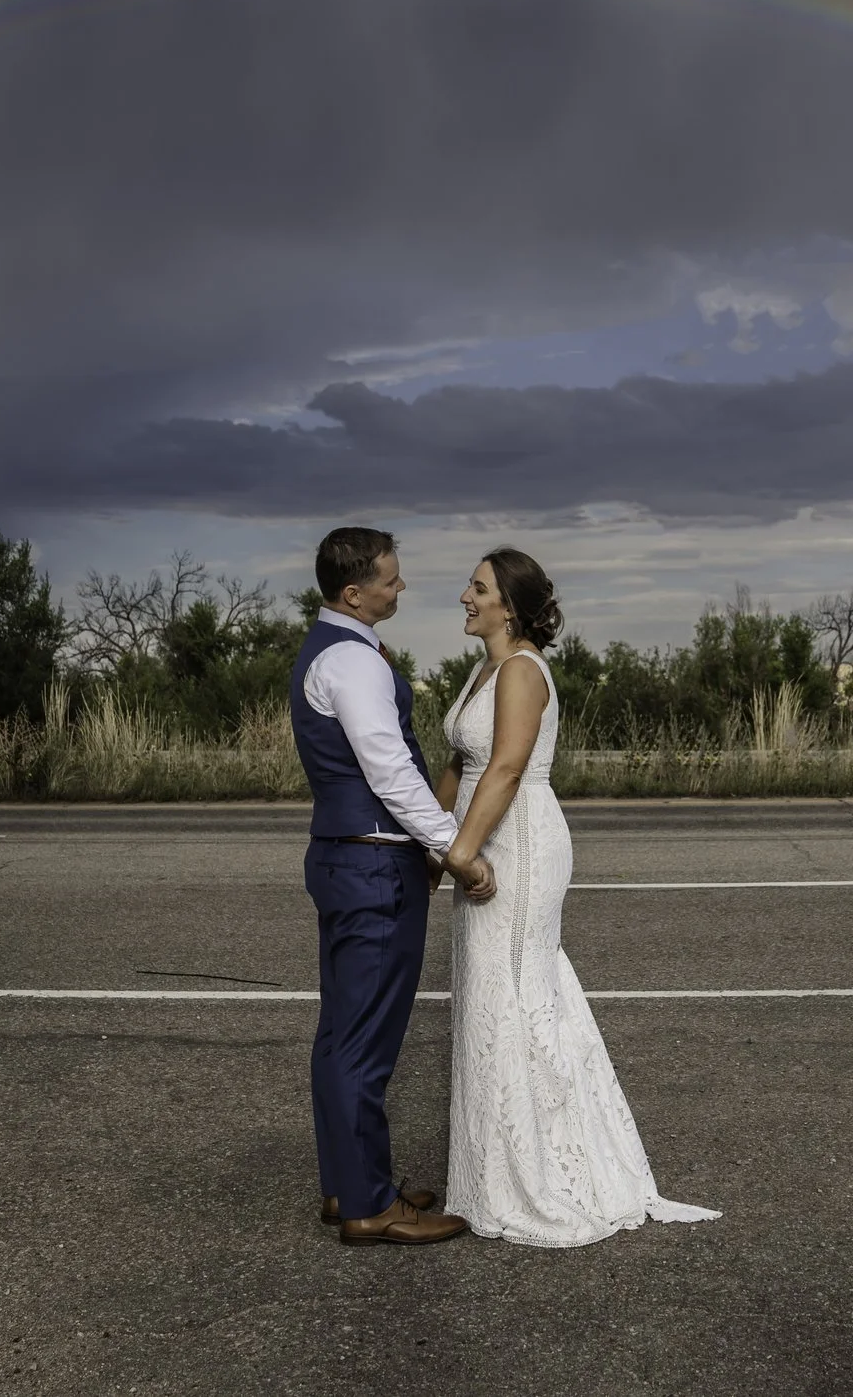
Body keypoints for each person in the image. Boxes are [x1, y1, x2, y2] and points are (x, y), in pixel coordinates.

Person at [433, 547, 721, 1246]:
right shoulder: (485, 668)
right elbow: (458, 764)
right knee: (489, 995)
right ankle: (489, 1173)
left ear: (510, 603)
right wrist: (426, 842)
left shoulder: (524, 670)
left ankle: (545, 1175)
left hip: (518, 840)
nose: (464, 597)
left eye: (478, 588)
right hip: (480, 831)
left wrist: (462, 850)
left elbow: (504, 767)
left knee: (516, 994)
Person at [292, 526, 487, 1246]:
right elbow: (391, 770)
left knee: (342, 1034)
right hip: (373, 864)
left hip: (347, 857)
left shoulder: (333, 650)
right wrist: (453, 848)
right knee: (363, 1043)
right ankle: (371, 1203)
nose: (401, 587)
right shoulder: (352, 660)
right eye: (391, 579)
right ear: (354, 591)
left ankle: (351, 1184)